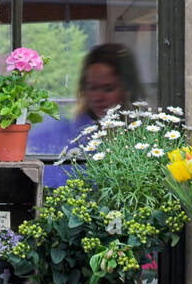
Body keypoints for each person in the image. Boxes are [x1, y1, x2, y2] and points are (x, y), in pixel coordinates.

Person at [31, 43, 145, 186]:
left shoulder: (143, 139)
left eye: (108, 89)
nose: (98, 97)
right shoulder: (61, 135)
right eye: (92, 88)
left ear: (128, 89)